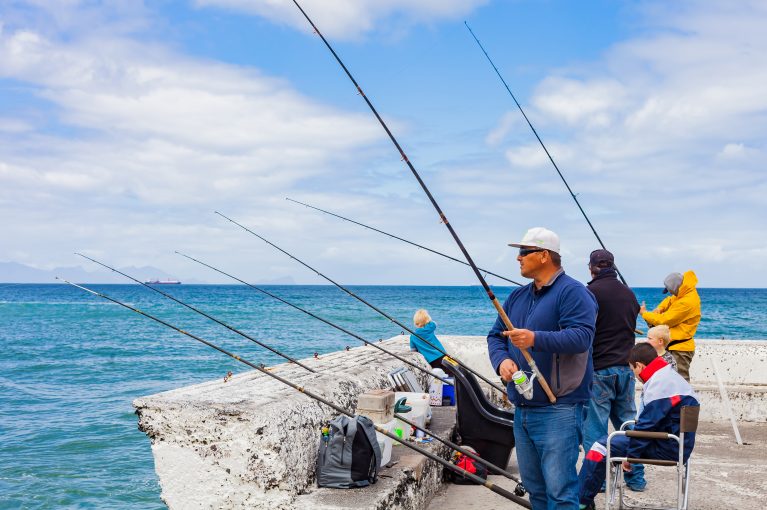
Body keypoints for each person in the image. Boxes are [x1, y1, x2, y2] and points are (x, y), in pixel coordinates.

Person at [487, 227, 597, 510]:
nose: (518, 258)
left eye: (524, 252)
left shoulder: (574, 293)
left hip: (559, 408)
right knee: (535, 491)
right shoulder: (517, 297)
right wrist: (502, 361)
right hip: (523, 408)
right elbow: (495, 336)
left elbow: (582, 337)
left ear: (545, 256)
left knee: (560, 494)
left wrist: (535, 338)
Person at [578, 343, 699, 510]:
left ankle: (580, 502)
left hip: (666, 447)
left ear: (640, 366)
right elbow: (652, 422)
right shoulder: (670, 377)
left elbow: (647, 426)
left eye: (633, 370)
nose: (635, 375)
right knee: (609, 441)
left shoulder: (659, 384)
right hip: (677, 444)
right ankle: (584, 498)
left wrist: (631, 456)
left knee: (600, 447)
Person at [582, 249, 646, 492]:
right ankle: (636, 478)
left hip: (600, 370)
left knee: (595, 429)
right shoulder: (629, 295)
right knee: (629, 425)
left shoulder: (590, 293)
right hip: (626, 370)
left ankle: (597, 479)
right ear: (613, 267)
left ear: (592, 268)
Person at [640, 271, 701, 381]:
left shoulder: (687, 302)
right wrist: (659, 308)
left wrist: (645, 314)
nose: (670, 293)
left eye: (670, 290)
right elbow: (670, 299)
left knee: (681, 383)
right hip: (673, 346)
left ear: (675, 288)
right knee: (669, 382)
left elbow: (665, 321)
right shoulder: (684, 292)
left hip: (680, 350)